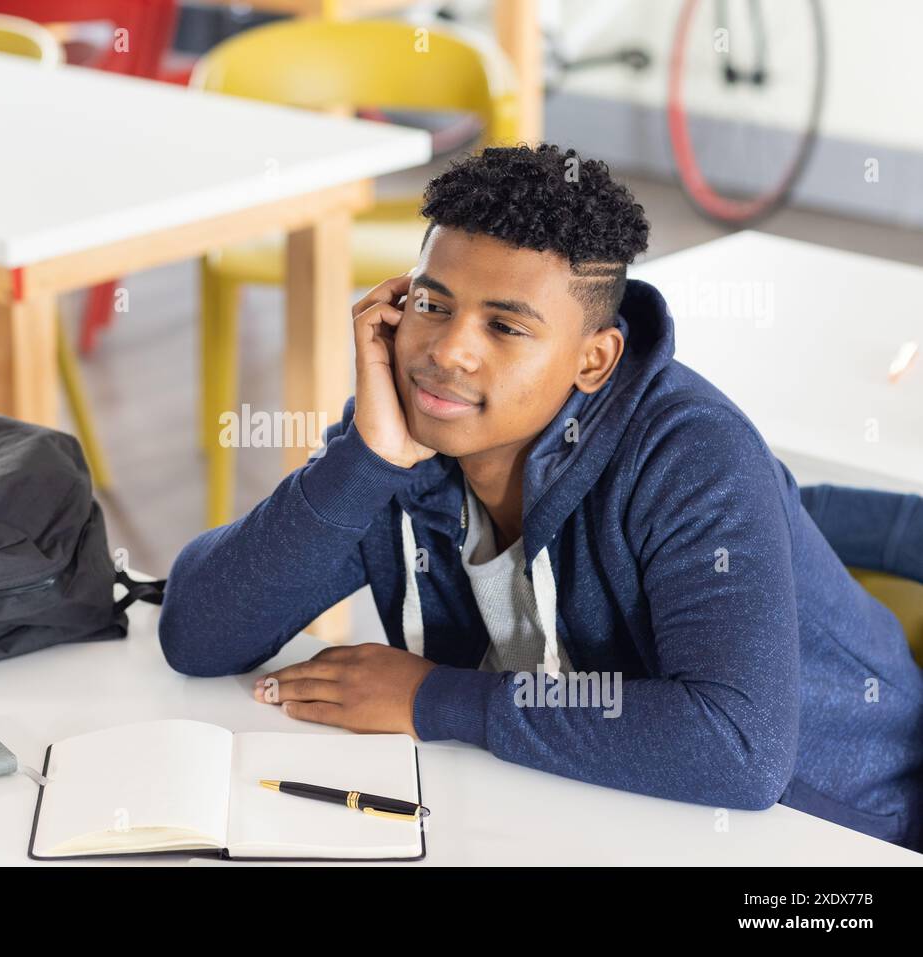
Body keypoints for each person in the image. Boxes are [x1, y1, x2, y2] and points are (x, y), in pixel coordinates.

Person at [158, 143, 923, 850]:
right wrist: (364, 460)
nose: (449, 350)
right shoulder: (409, 439)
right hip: (586, 808)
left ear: (595, 359)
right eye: (433, 304)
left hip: (829, 826)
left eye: (504, 326)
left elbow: (738, 748)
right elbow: (197, 635)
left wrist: (437, 699)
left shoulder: (692, 455)